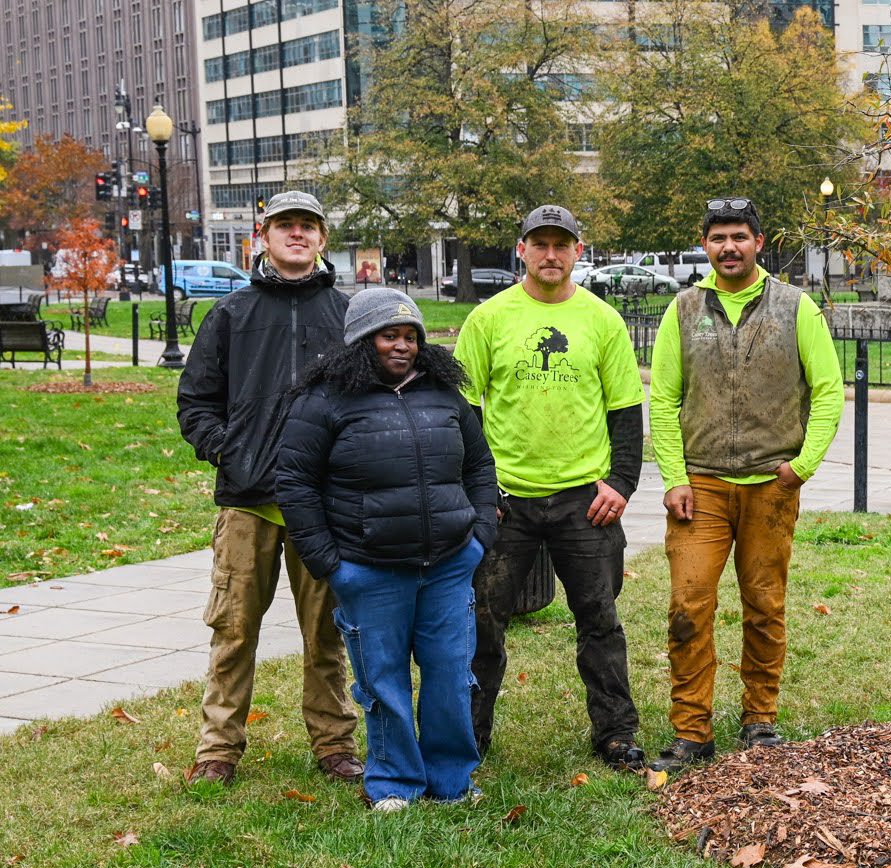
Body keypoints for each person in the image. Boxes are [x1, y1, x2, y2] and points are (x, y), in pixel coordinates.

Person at [275, 289, 497, 811]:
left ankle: (451, 781)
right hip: (368, 571)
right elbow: (295, 483)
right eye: (389, 336)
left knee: (450, 675)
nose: (402, 346)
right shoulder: (324, 400)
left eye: (411, 336)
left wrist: (480, 535)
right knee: (383, 682)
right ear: (360, 341)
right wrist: (332, 565)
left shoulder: (444, 395)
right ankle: (395, 782)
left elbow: (480, 467)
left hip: (447, 565)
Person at [647, 197, 844, 767]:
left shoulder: (796, 308)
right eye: (717, 238)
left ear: (759, 242)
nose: (728, 247)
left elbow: (828, 389)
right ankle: (692, 730)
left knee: (764, 604)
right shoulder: (683, 310)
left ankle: (761, 721)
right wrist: (674, 477)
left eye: (739, 236)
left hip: (771, 487)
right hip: (701, 486)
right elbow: (663, 398)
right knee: (688, 604)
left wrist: (802, 466)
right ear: (705, 245)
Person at [176, 191, 361, 788]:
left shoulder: (349, 314)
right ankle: (218, 750)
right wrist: (226, 447)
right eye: (286, 226)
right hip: (247, 500)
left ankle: (335, 744)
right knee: (233, 628)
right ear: (264, 235)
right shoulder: (230, 314)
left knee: (328, 633)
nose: (297, 235)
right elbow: (196, 401)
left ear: (323, 237)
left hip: (323, 501)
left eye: (308, 226)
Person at [458, 206, 650, 772]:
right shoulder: (489, 319)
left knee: (599, 620)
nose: (550, 254)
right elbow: (463, 411)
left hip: (584, 502)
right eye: (538, 243)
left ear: (578, 251)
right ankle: (471, 732)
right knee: (482, 624)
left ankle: (615, 731)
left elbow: (625, 411)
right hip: (506, 501)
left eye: (560, 245)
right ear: (521, 250)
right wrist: (479, 489)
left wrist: (621, 482)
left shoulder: (602, 320)